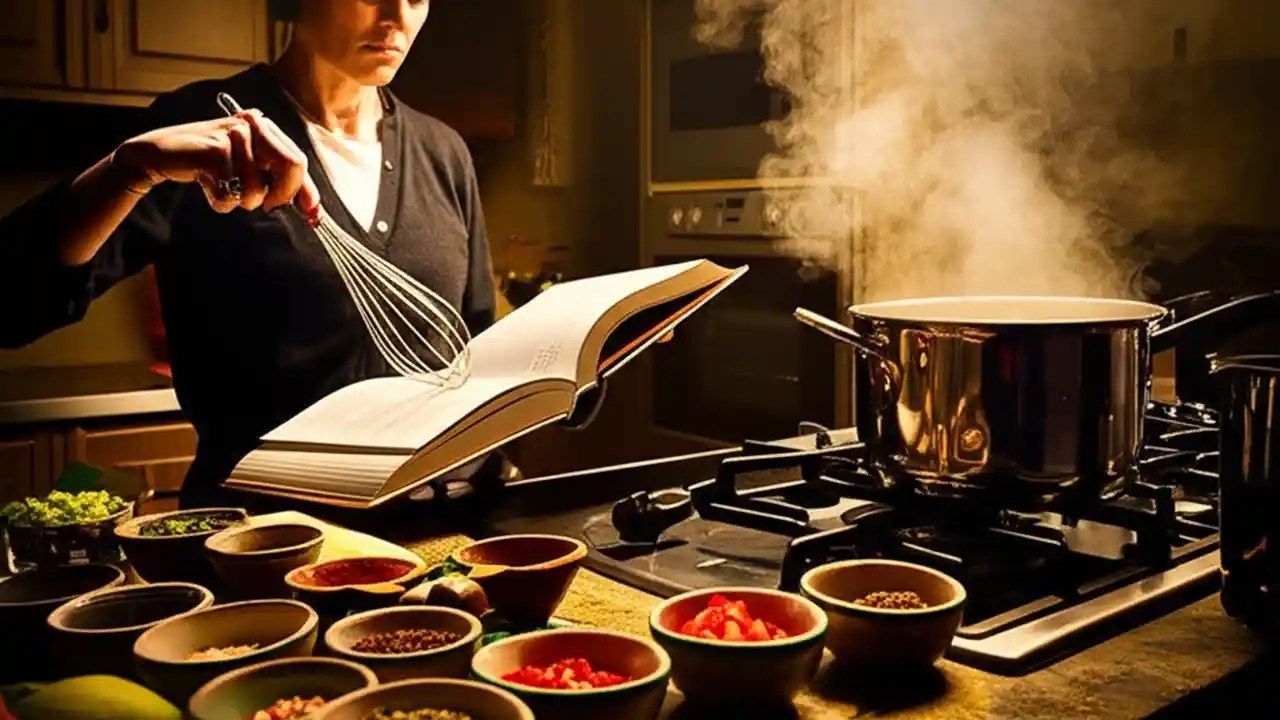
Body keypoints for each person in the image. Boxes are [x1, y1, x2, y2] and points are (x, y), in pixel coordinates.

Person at [0, 0, 504, 509]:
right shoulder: (199, 131)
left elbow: (479, 348)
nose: (398, 16)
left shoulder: (445, 153)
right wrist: (130, 170)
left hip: (438, 528)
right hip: (262, 540)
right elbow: (15, 304)